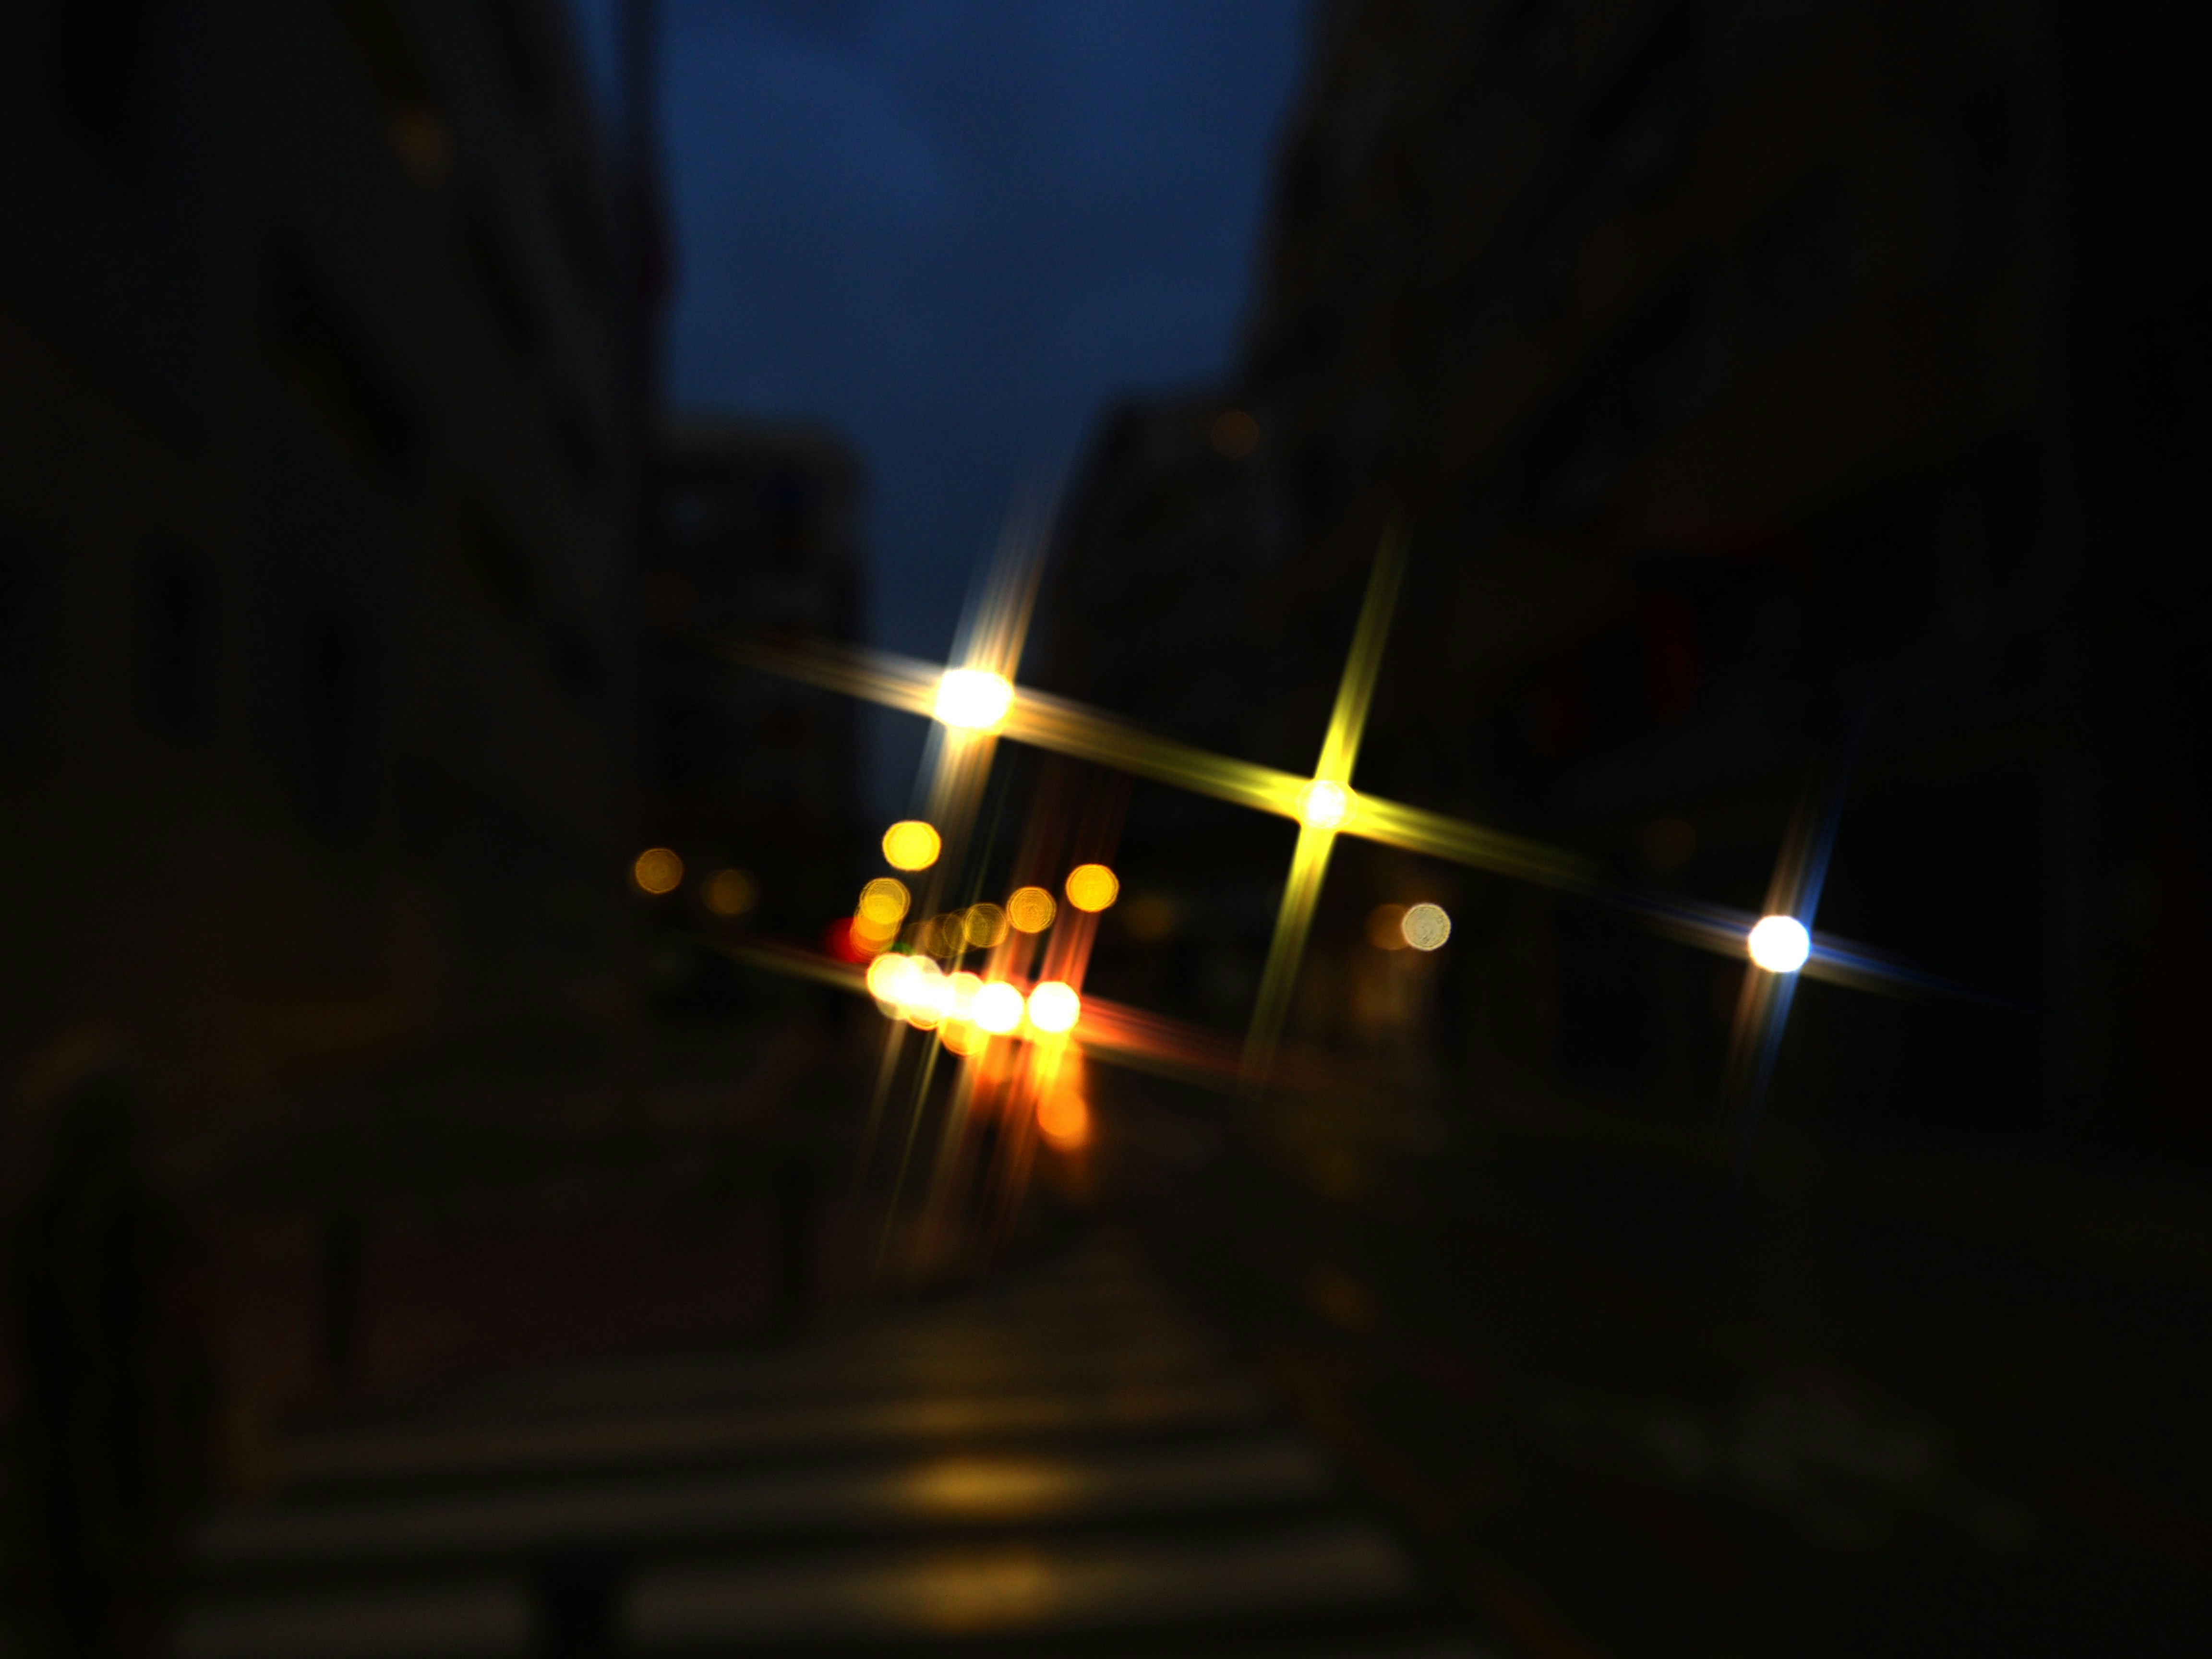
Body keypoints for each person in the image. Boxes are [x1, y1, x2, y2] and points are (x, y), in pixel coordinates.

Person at [6, 1069, 210, 1659]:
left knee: (74, 1616)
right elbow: (182, 1339)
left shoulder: (41, 1226)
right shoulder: (144, 1223)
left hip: (71, 1453)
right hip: (119, 1449)